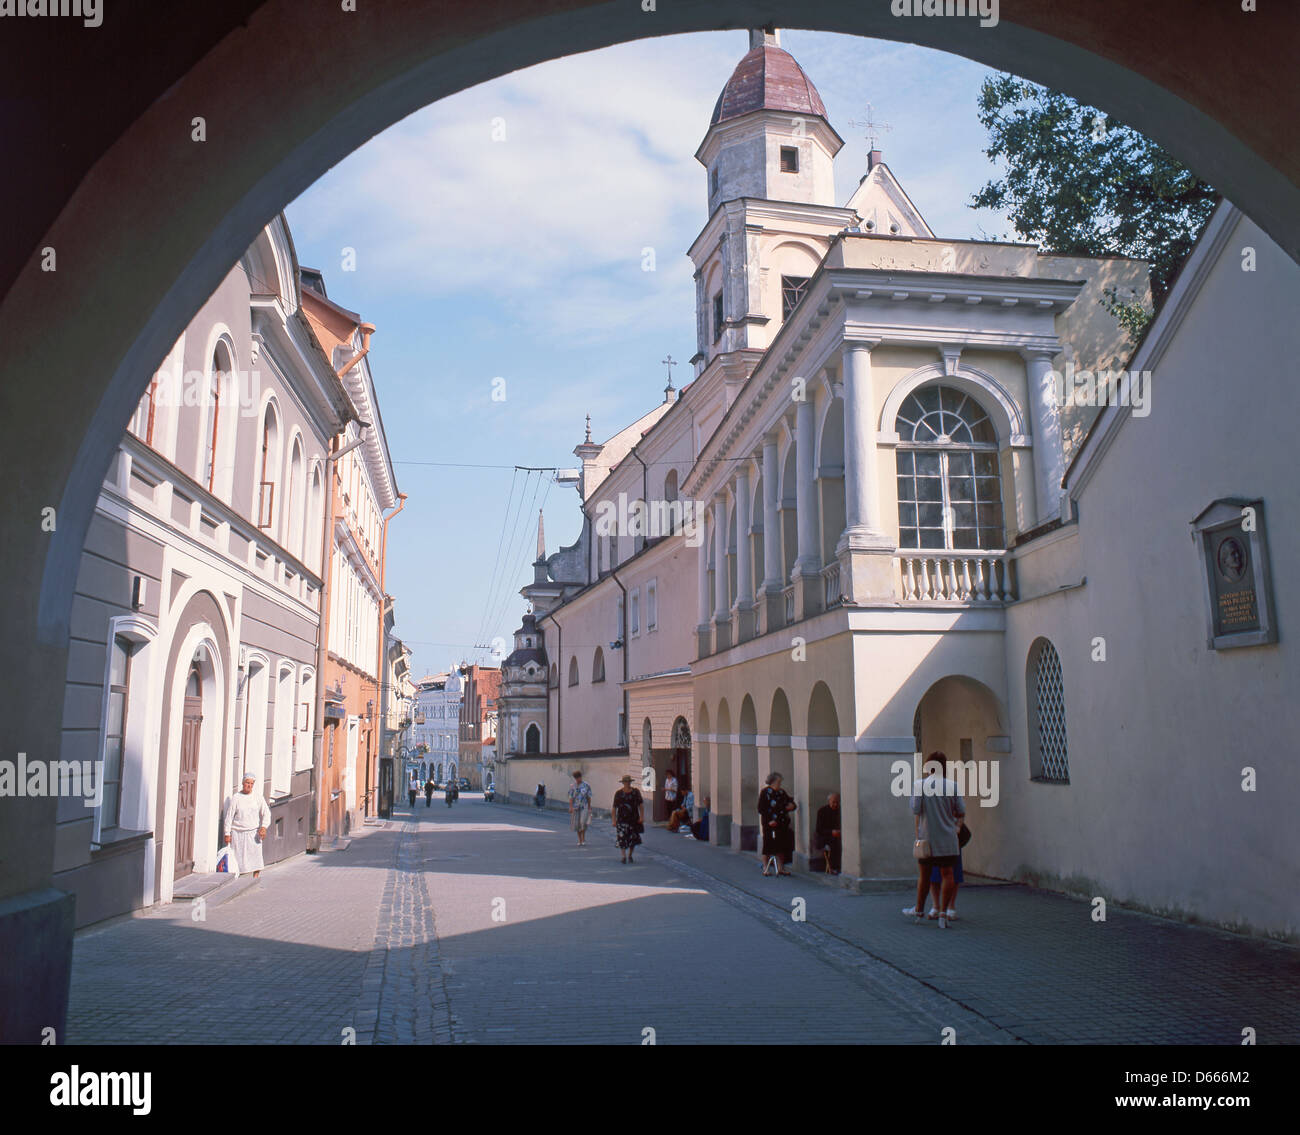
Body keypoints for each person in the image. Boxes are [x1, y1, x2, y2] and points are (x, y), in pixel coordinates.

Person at [904, 752, 966, 929]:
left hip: (927, 837)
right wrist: (956, 826)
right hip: (948, 837)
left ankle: (919, 911)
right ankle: (943, 913)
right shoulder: (952, 786)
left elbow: (915, 809)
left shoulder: (920, 785)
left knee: (925, 876)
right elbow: (960, 810)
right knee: (948, 874)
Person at [223, 774, 271, 879]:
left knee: (256, 857)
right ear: (243, 783)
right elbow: (229, 816)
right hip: (238, 832)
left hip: (253, 832)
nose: (249, 785)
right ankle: (237, 877)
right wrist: (227, 833)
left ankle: (255, 877)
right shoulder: (236, 797)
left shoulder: (257, 797)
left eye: (251, 784)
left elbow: (266, 813)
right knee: (237, 858)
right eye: (247, 783)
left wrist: (264, 827)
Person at [757, 772, 796, 875]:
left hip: (781, 823)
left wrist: (792, 806)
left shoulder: (781, 792)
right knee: (768, 844)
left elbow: (791, 802)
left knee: (781, 845)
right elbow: (761, 809)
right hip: (769, 824)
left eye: (780, 782)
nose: (780, 783)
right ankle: (766, 868)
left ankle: (780, 868)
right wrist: (770, 820)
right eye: (778, 781)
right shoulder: (765, 792)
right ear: (773, 782)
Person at [612, 774, 644, 863]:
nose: (627, 784)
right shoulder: (618, 793)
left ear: (630, 782)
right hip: (622, 819)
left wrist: (642, 816)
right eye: (625, 782)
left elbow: (640, 805)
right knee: (622, 838)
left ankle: (630, 855)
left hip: (633, 819)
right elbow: (614, 808)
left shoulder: (635, 792)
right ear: (623, 783)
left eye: (628, 782)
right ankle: (623, 856)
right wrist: (614, 820)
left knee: (632, 839)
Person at [813, 792, 842, 875]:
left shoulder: (840, 811)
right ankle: (833, 867)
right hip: (825, 837)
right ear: (829, 801)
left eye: (837, 802)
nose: (835, 804)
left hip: (838, 835)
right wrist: (831, 832)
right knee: (834, 843)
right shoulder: (822, 811)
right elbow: (819, 829)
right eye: (833, 802)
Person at [568, 770, 592, 847]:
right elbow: (571, 797)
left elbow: (589, 796)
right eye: (577, 778)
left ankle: (583, 838)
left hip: (584, 806)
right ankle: (580, 840)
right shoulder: (573, 786)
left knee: (583, 822)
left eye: (579, 777)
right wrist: (571, 807)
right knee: (577, 824)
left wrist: (589, 806)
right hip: (576, 807)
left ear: (581, 777)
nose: (578, 779)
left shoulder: (586, 785)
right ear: (575, 778)